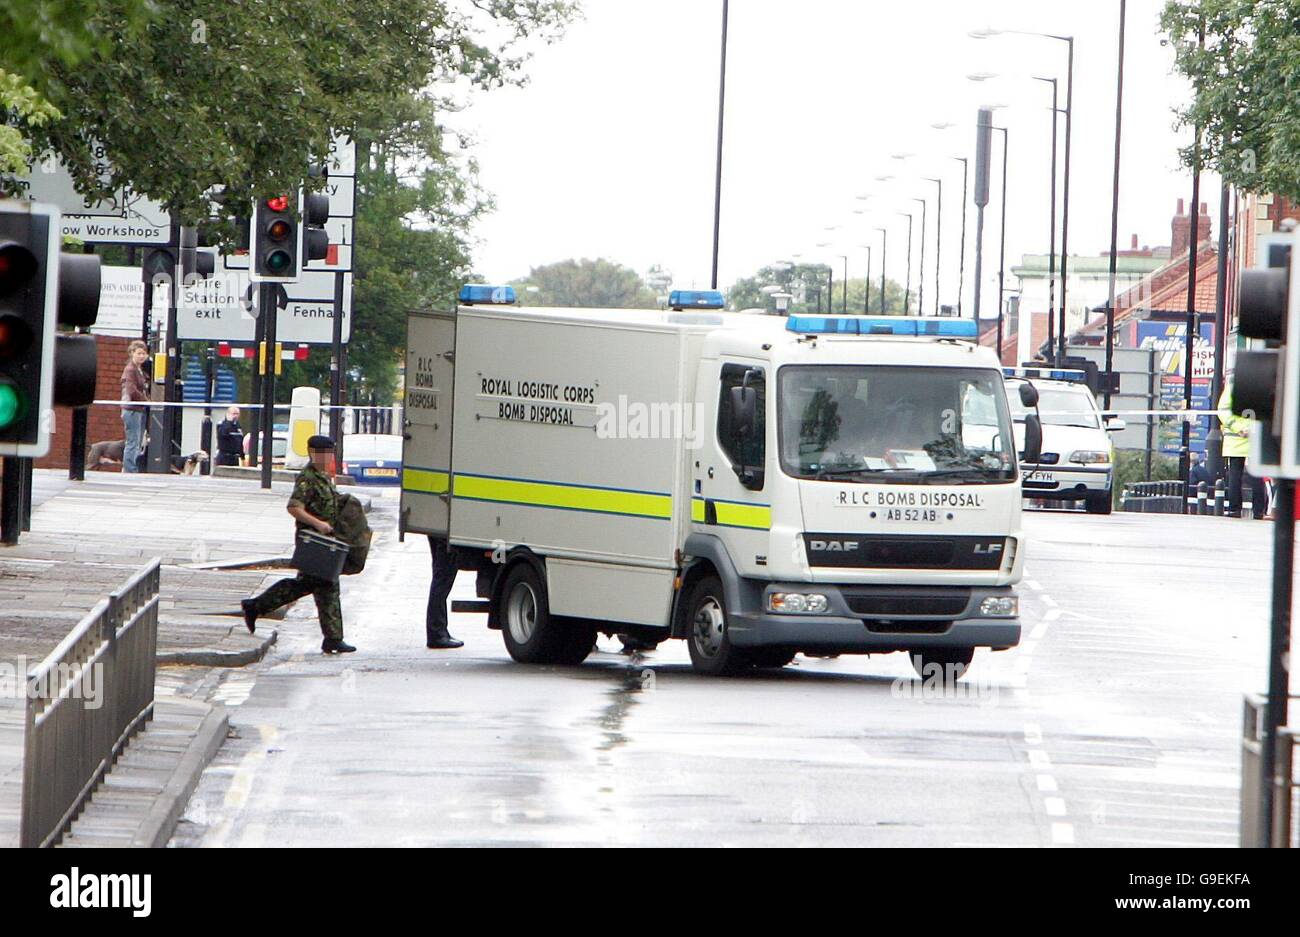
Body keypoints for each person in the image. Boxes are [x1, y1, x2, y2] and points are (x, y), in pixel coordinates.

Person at [242, 435, 355, 653]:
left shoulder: (323, 477)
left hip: (325, 542)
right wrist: (319, 524)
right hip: (313, 542)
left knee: (321, 585)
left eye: (330, 453)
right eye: (325, 454)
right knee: (316, 585)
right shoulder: (308, 478)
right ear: (314, 453)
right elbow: (294, 507)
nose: (328, 457)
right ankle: (255, 606)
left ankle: (332, 638)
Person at [1218, 383, 1266, 520]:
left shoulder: (1233, 387)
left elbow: (1223, 410)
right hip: (1256, 436)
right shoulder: (1261, 387)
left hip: (1236, 438)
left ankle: (1234, 509)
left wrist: (1237, 427)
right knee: (1257, 474)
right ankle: (1258, 511)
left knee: (1235, 474)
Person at [425, 535, 464, 649]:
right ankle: (437, 633)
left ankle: (439, 631)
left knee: (440, 577)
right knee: (442, 579)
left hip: (438, 530)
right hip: (446, 533)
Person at [120, 341, 150, 473]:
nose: (142, 356)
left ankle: (130, 467)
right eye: (139, 353)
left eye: (144, 353)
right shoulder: (130, 370)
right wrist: (146, 400)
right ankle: (129, 469)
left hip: (138, 409)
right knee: (132, 441)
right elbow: (131, 390)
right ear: (132, 353)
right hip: (131, 410)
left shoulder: (139, 370)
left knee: (137, 441)